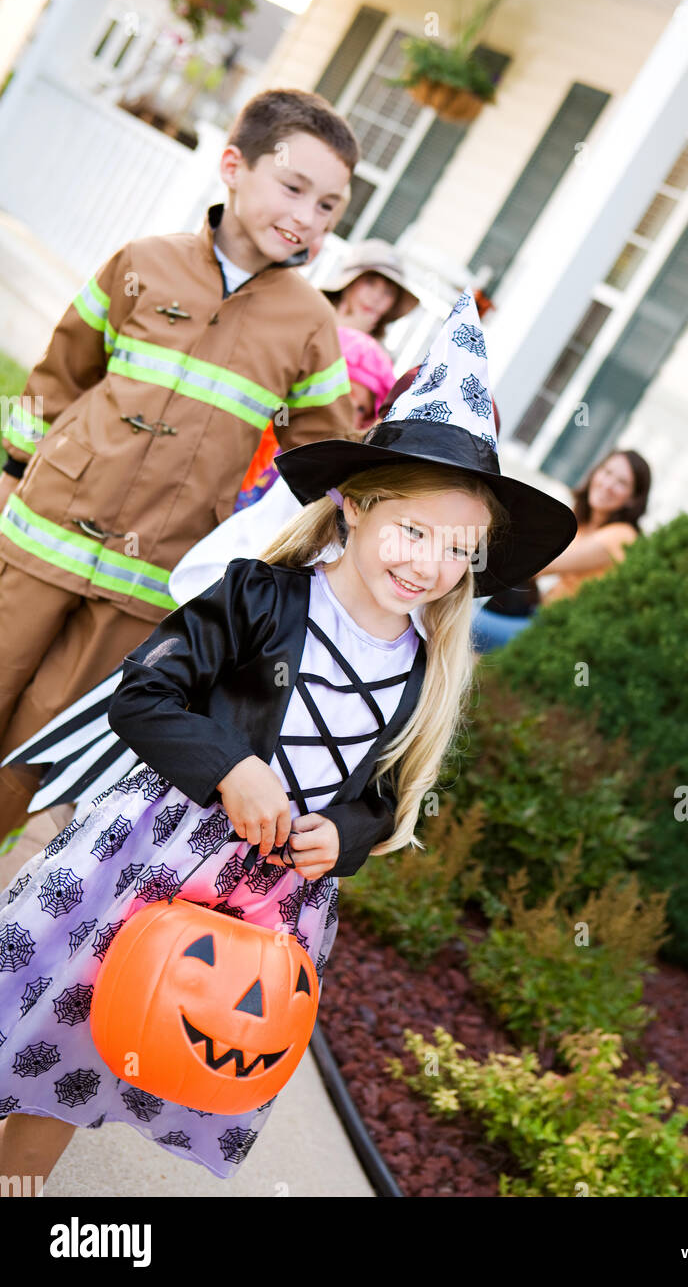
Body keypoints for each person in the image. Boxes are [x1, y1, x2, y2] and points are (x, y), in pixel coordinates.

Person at [0, 290, 576, 1186]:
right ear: (354, 506)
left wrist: (338, 836)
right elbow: (146, 697)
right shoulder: (261, 598)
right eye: (412, 528)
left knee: (99, 1059)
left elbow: (381, 800)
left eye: (457, 548)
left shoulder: (428, 669)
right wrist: (231, 769)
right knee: (56, 1020)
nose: (427, 562)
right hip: (152, 855)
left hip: (265, 905)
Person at [0, 89, 364, 850]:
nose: (307, 216)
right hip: (38, 540)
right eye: (293, 187)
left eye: (329, 207)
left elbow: (321, 465)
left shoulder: (310, 326)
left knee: (34, 753)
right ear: (234, 166)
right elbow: (60, 374)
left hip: (147, 583)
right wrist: (10, 469)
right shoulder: (142, 264)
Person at [233, 239, 418, 511]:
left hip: (320, 458)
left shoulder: (380, 359)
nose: (377, 297)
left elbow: (364, 425)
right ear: (350, 281)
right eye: (370, 283)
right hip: (267, 432)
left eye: (388, 291)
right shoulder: (308, 317)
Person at [470, 449, 651, 653]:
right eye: (607, 472)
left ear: (633, 499)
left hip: (554, 632)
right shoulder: (582, 522)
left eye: (621, 483)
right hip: (538, 611)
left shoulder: (622, 535)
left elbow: (541, 564)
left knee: (459, 621)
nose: (608, 484)